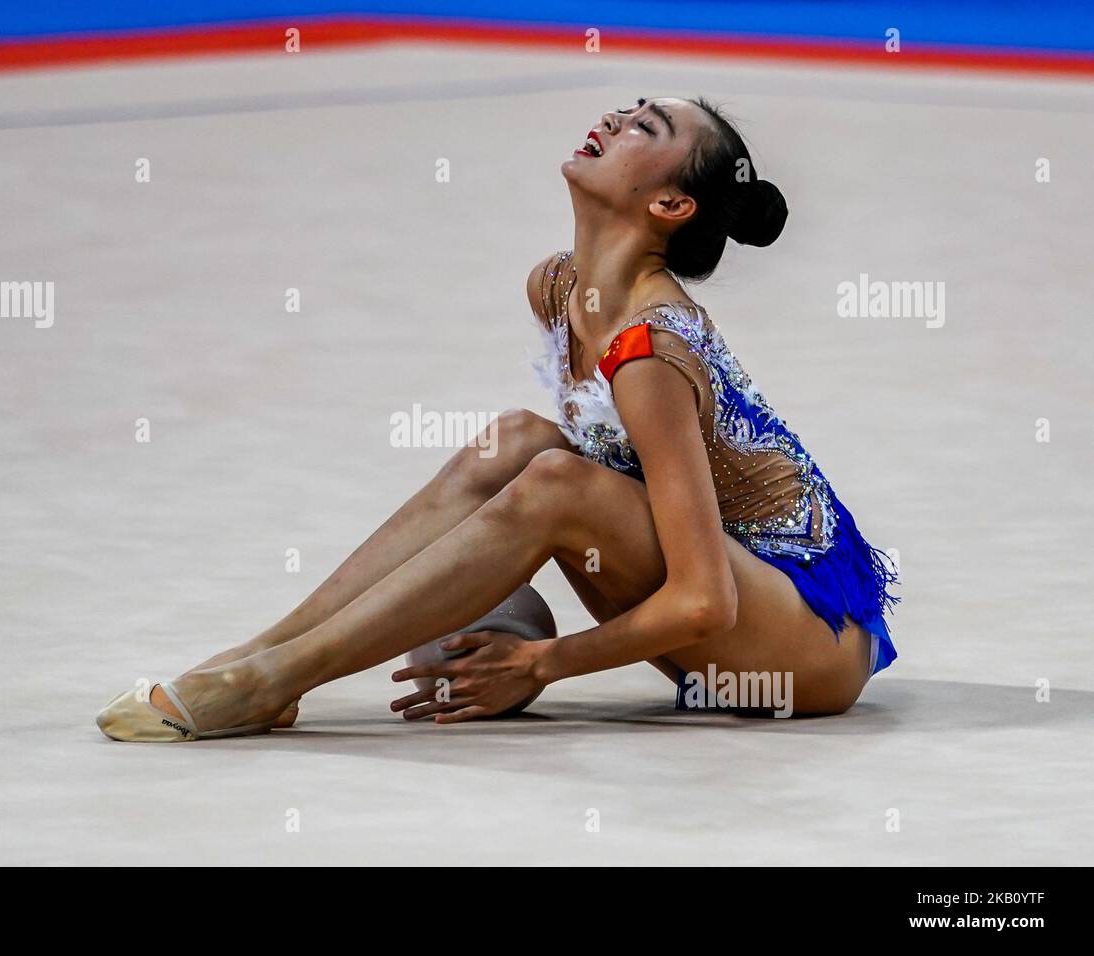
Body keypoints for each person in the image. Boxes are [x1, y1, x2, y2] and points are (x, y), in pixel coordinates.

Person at [97, 97, 898, 741]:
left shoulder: (650, 349)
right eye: (629, 109)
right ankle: (263, 654)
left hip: (807, 646)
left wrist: (543, 662)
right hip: (744, 610)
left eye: (645, 128)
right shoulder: (558, 288)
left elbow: (702, 602)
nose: (616, 118)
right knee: (516, 440)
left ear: (669, 203)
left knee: (556, 482)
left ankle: (270, 681)